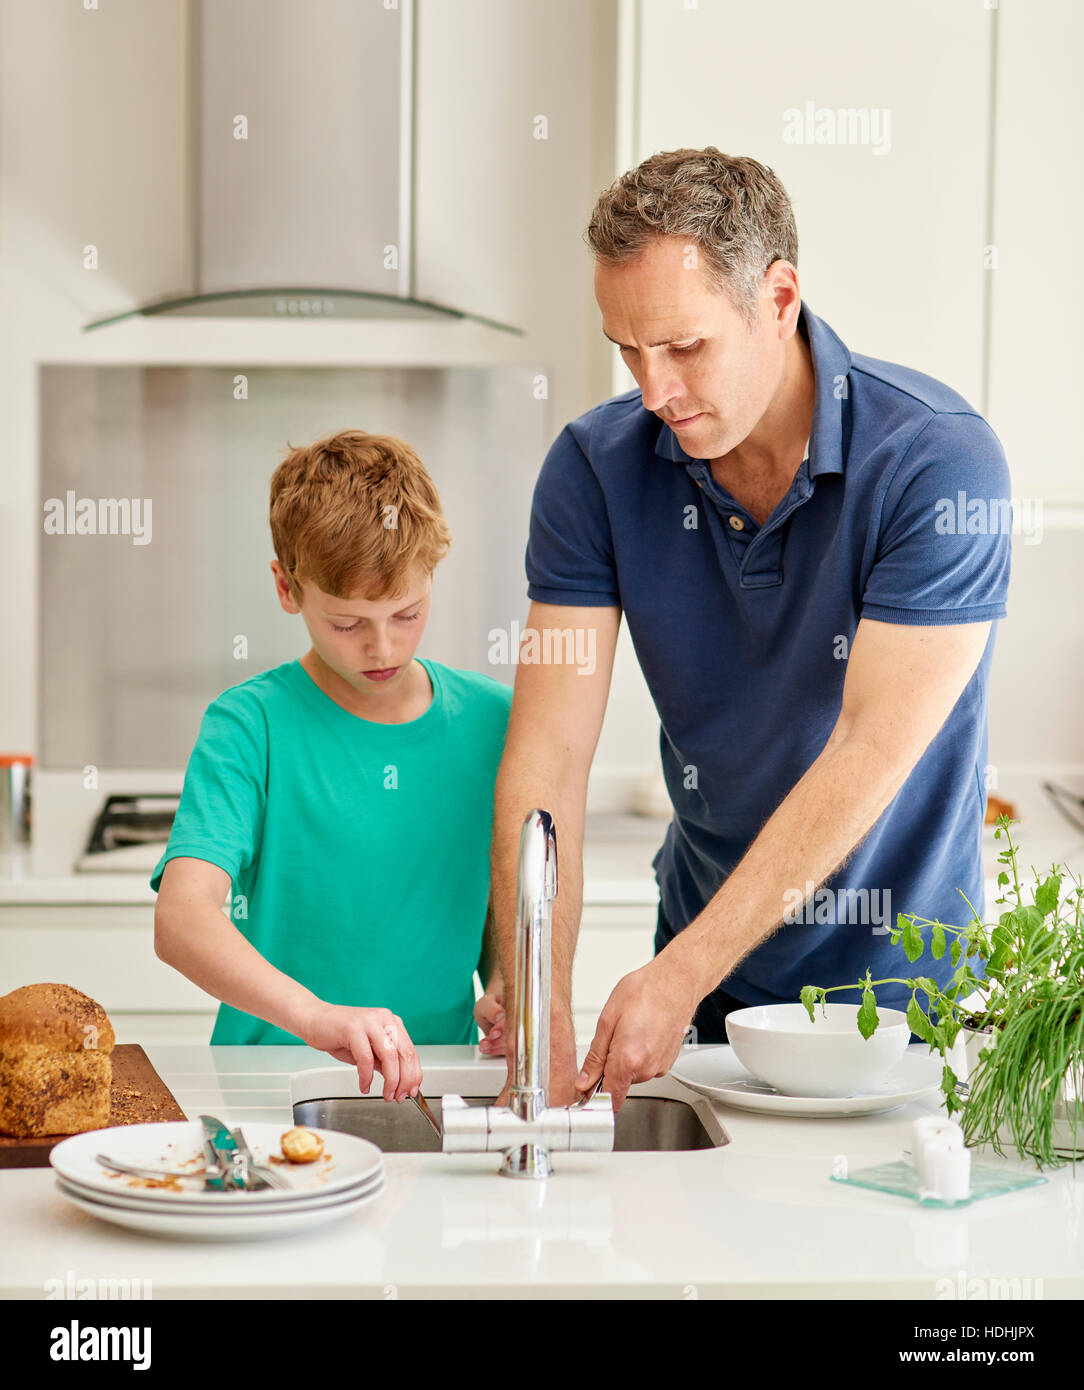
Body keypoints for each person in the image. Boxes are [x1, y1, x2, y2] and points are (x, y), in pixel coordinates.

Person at [481, 148, 1011, 1111]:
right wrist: (535, 983)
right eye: (627, 350)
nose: (653, 391)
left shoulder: (940, 462)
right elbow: (551, 752)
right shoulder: (595, 470)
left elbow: (869, 748)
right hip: (713, 1005)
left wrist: (677, 973)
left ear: (778, 298)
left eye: (684, 347)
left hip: (917, 1015)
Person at [152, 429, 512, 1100]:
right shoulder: (248, 726)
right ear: (287, 588)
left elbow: (493, 894)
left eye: (407, 612)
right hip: (269, 1088)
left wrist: (504, 980)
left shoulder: (495, 721)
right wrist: (318, 1019)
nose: (383, 646)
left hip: (438, 1084)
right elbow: (182, 920)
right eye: (348, 623)